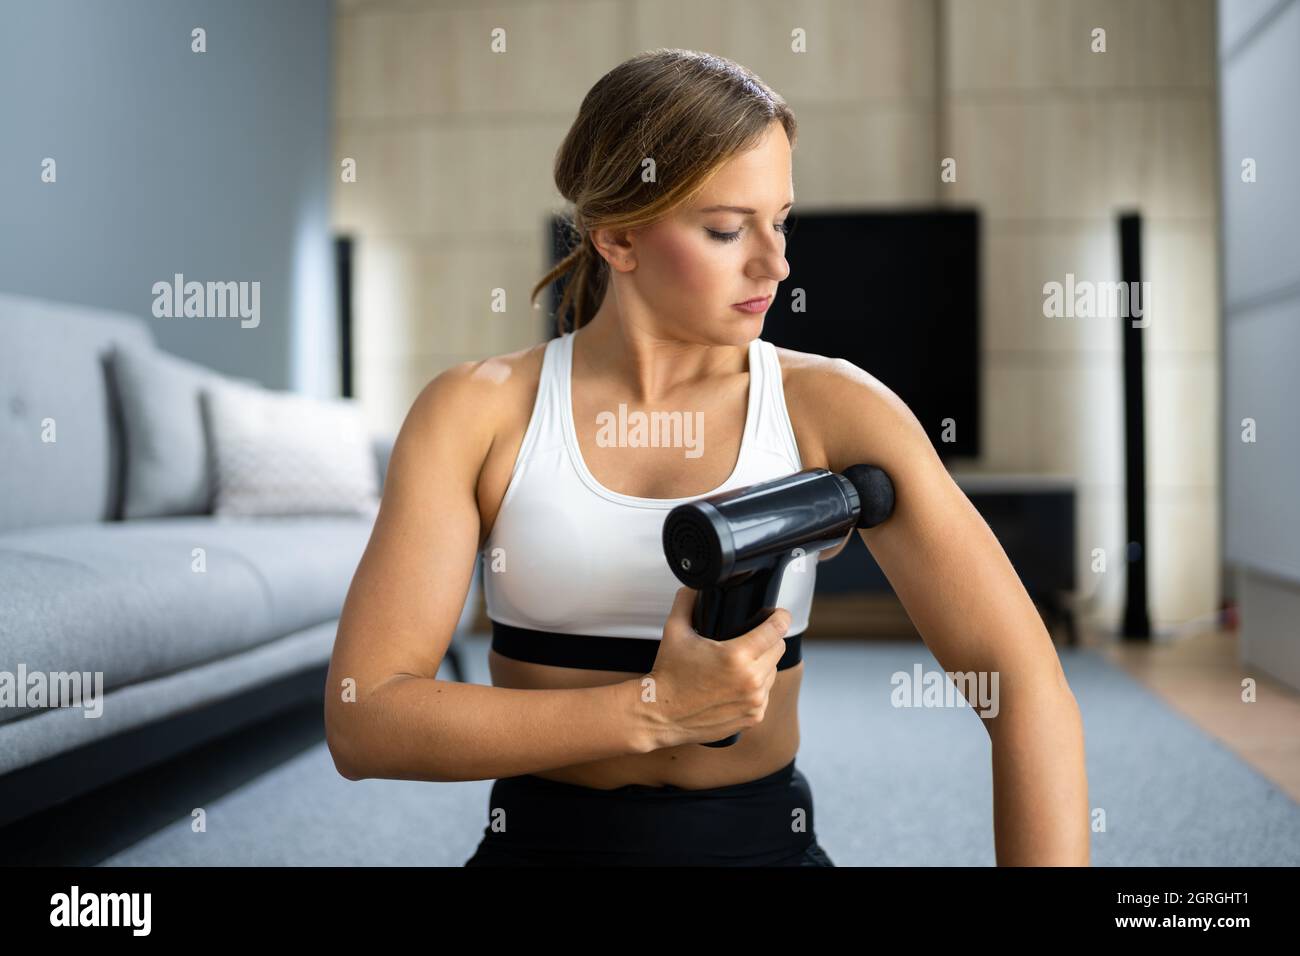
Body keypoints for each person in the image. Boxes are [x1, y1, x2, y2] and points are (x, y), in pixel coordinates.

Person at [326, 48, 1090, 867]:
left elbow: (1023, 686)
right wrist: (654, 711)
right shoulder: (477, 411)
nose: (776, 263)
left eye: (781, 220)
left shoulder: (831, 408)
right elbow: (365, 718)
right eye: (727, 229)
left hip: (758, 848)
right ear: (618, 235)